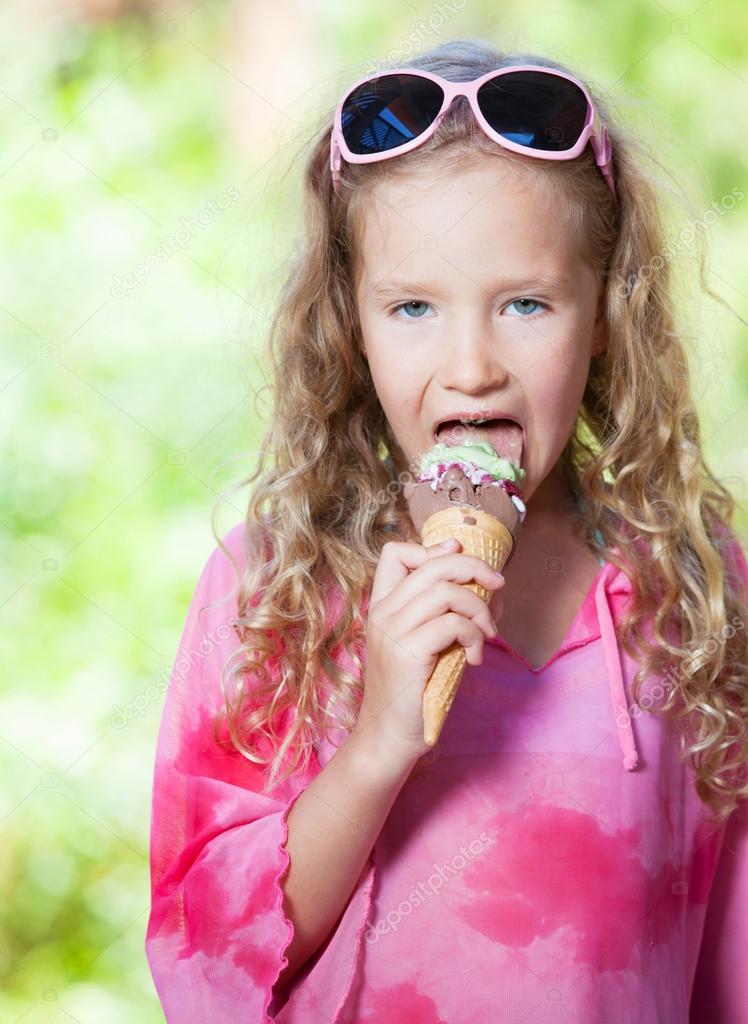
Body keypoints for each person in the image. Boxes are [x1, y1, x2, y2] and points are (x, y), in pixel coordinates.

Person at [144, 37, 748, 1024]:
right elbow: (209, 958)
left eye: (525, 303)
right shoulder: (273, 590)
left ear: (604, 314)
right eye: (414, 306)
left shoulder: (693, 584)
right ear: (352, 323)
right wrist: (379, 742)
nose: (471, 366)